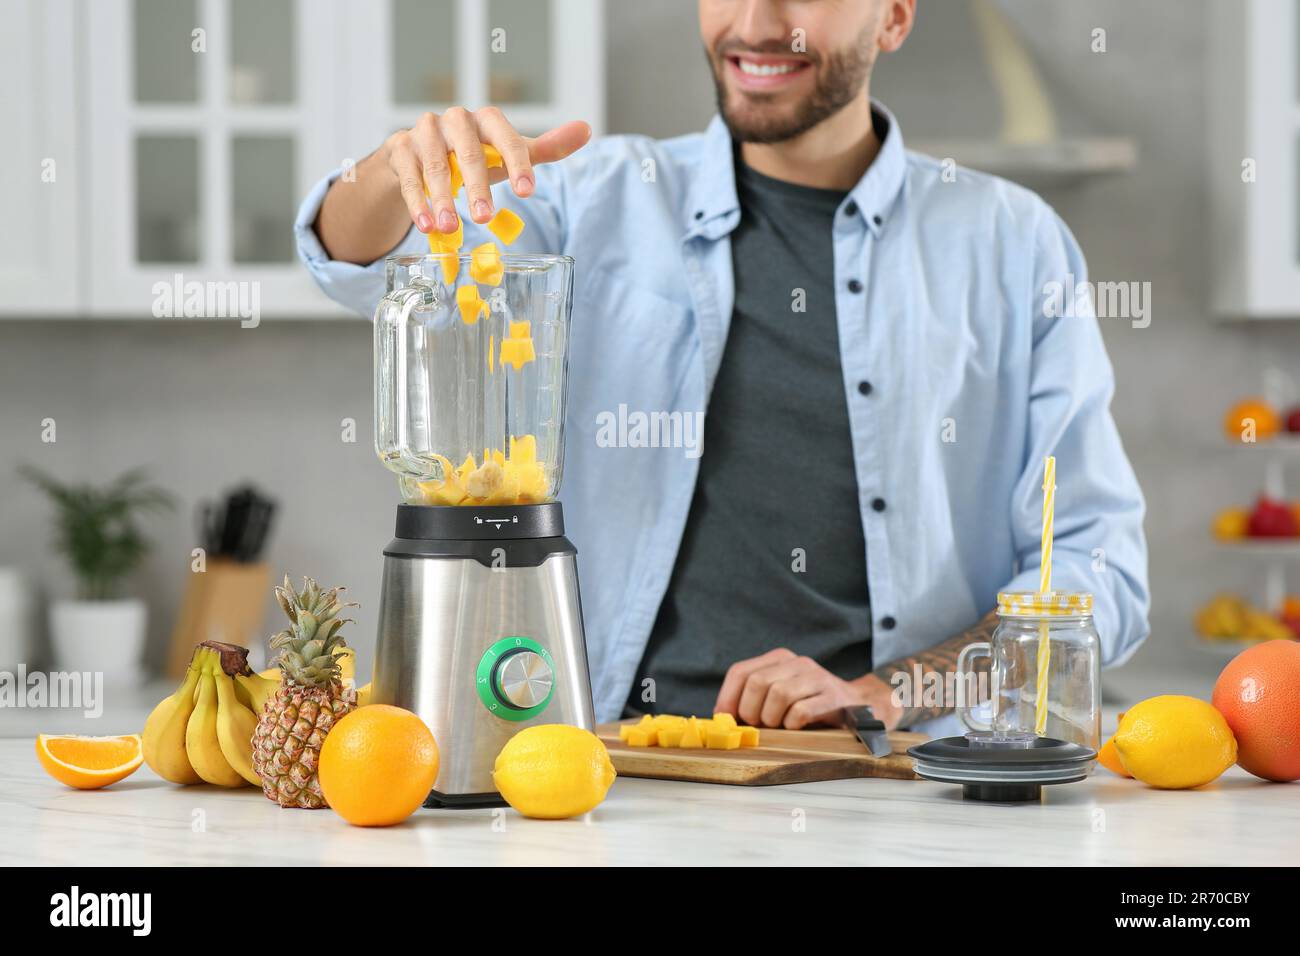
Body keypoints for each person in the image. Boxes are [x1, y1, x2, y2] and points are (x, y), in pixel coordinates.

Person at [295, 0, 1149, 737]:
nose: (755, 24)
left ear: (894, 15)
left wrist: (887, 694)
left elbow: (1097, 567)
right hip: (609, 771)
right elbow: (358, 264)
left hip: (895, 779)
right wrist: (390, 170)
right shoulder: (589, 198)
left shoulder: (1013, 242)